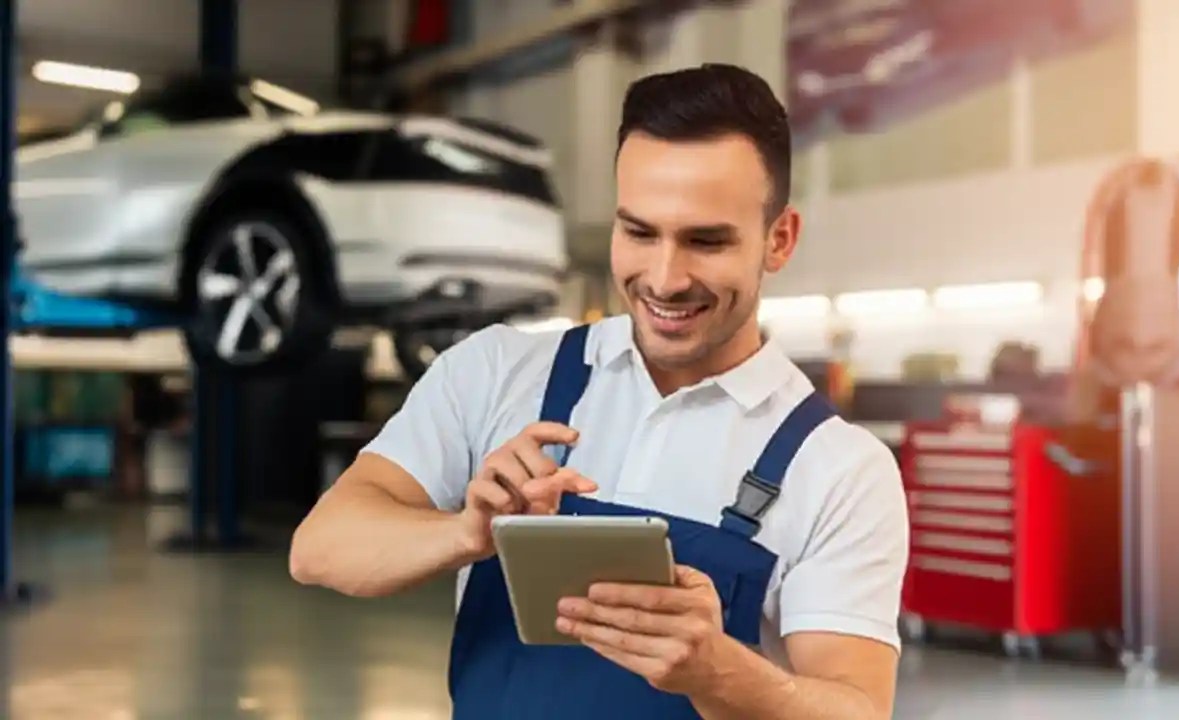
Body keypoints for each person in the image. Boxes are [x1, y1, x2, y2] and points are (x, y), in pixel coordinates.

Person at [290, 63, 909, 720]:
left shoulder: (839, 468)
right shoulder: (497, 372)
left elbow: (856, 708)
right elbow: (321, 549)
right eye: (639, 232)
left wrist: (721, 672)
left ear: (778, 239)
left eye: (705, 240)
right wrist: (468, 532)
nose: (665, 279)